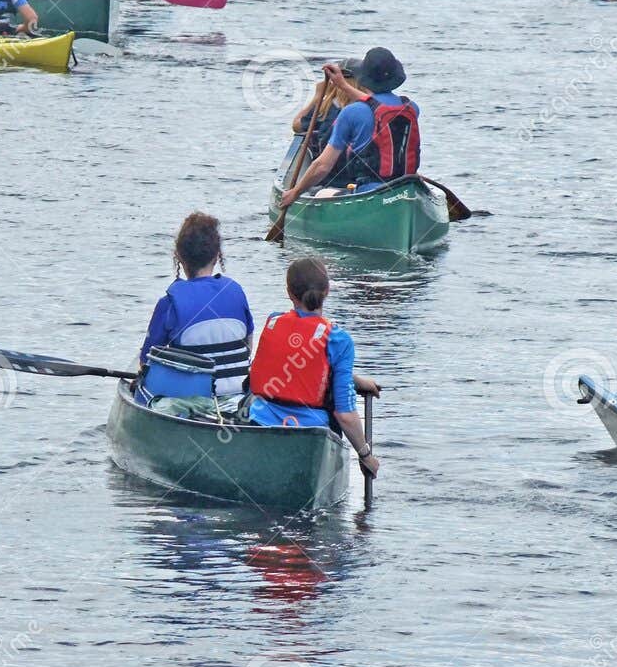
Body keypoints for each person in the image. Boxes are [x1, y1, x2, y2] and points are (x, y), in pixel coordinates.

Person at [248, 258, 380, 480]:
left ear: (289, 293)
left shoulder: (273, 321)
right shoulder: (338, 340)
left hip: (260, 423)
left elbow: (297, 367)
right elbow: (345, 414)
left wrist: (354, 380)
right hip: (310, 434)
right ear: (327, 291)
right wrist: (365, 455)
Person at [136, 212, 254, 417]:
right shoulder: (236, 292)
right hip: (239, 398)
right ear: (217, 256)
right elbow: (248, 346)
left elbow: (147, 362)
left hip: (194, 404)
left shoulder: (168, 303)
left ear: (179, 257)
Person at [277, 48, 419, 213]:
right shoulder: (411, 108)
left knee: (322, 193)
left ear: (365, 79)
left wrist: (295, 192)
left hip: (369, 191)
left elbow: (322, 166)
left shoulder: (351, 113)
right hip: (406, 186)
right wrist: (343, 85)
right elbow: (377, 104)